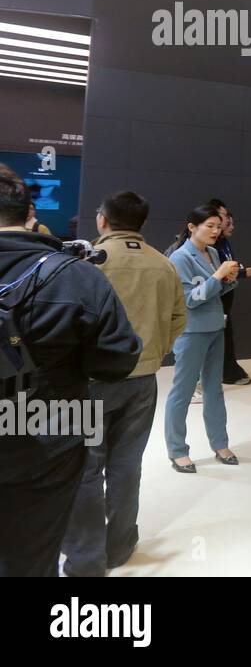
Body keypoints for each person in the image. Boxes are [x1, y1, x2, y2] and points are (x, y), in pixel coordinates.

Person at [0, 166, 141, 577]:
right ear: (30, 213)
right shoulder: (77, 276)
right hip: (47, 439)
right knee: (34, 555)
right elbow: (118, 360)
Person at [61, 191, 187, 576]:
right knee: (127, 465)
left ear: (103, 220)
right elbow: (178, 319)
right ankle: (119, 545)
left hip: (91, 382)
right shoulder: (164, 264)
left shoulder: (87, 263)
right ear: (142, 224)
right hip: (143, 380)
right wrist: (152, 354)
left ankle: (86, 558)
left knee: (85, 468)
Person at [164, 204, 249, 472]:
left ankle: (220, 444)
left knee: (215, 389)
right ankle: (177, 450)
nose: (216, 230)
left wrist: (229, 279)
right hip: (191, 332)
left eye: (218, 225)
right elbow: (191, 299)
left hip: (215, 327)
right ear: (192, 227)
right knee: (183, 391)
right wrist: (218, 276)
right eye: (209, 225)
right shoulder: (180, 258)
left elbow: (216, 291)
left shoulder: (213, 252)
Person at [209, 199, 251, 386]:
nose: (228, 221)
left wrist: (241, 273)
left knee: (224, 333)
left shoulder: (223, 243)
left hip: (223, 299)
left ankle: (225, 371)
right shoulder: (201, 248)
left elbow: (227, 270)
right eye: (225, 216)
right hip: (209, 301)